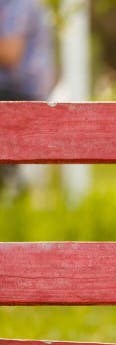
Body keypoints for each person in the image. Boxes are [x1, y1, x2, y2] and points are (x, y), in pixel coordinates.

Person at [0, 0, 56, 197]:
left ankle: (10, 180)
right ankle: (9, 179)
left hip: (23, 94)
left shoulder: (18, 4)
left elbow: (9, 53)